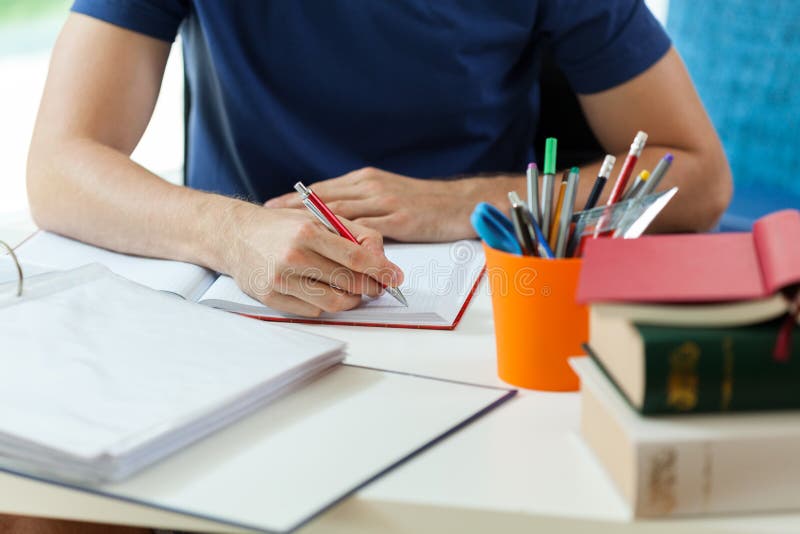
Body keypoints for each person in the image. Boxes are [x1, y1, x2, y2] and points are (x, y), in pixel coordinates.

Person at [8, 1, 730, 531]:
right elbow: (59, 165)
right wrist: (229, 232)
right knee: (47, 504)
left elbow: (696, 177)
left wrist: (454, 204)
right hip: (239, 319)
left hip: (478, 330)